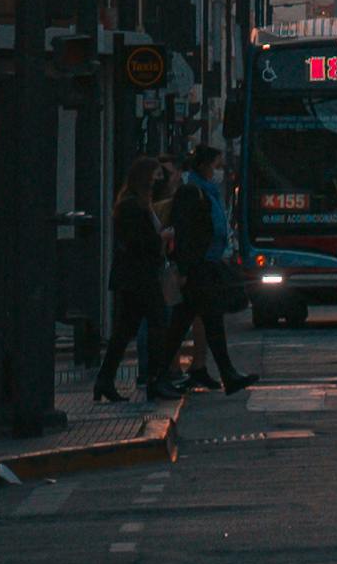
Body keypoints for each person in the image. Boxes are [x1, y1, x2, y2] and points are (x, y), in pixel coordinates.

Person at [159, 143, 255, 396]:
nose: (218, 171)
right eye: (215, 165)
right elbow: (188, 234)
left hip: (204, 266)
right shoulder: (193, 192)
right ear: (203, 166)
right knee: (198, 322)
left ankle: (226, 373)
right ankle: (159, 377)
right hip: (198, 268)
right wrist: (186, 270)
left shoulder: (205, 191)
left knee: (197, 322)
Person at [94, 159, 174, 402]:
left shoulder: (138, 204)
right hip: (140, 277)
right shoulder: (132, 207)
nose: (156, 183)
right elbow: (141, 242)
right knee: (157, 323)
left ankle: (105, 380)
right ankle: (154, 379)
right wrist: (162, 237)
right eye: (153, 177)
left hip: (136, 277)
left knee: (124, 331)